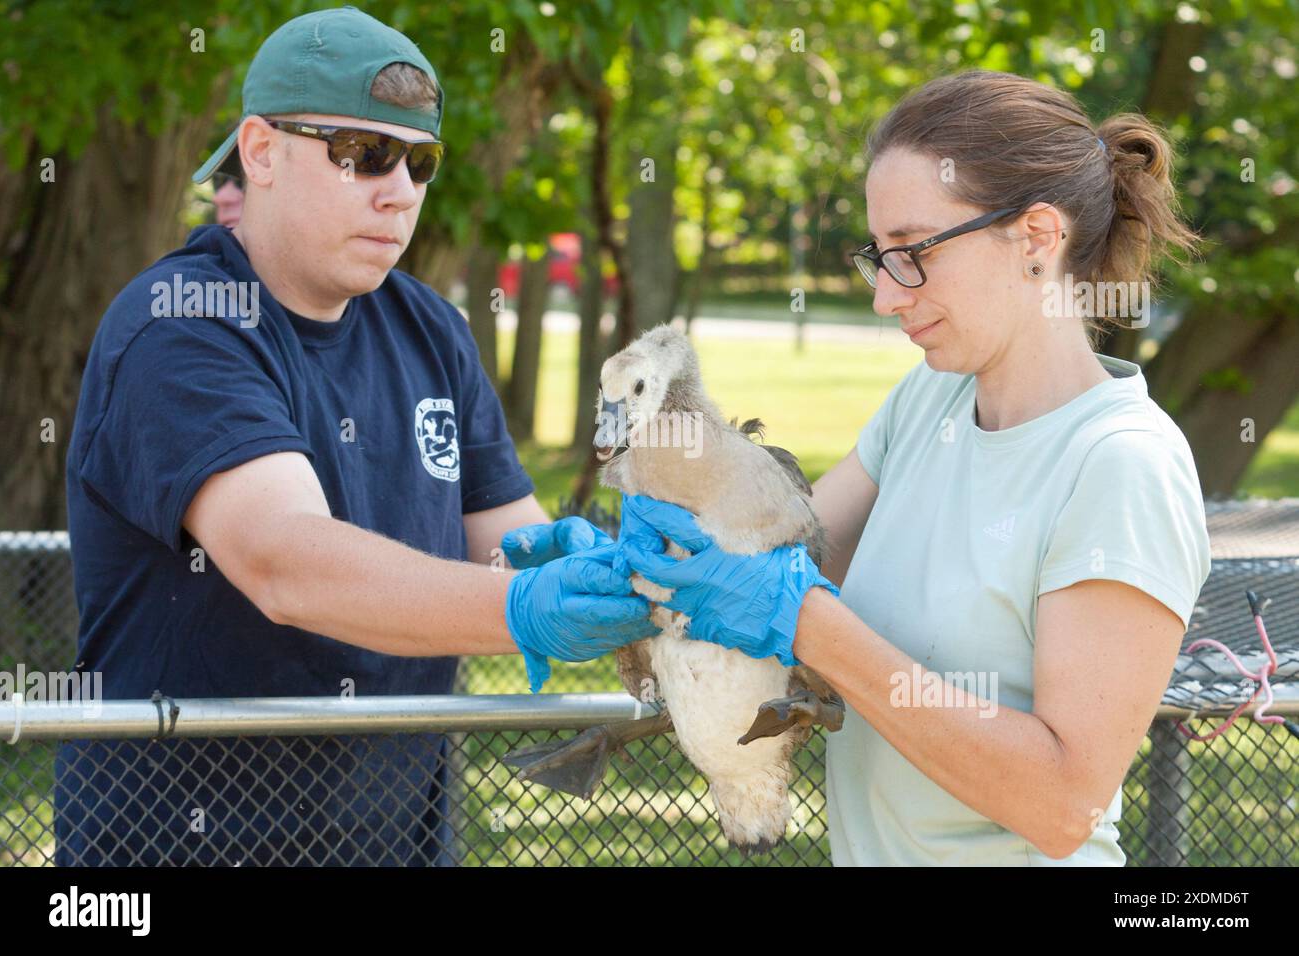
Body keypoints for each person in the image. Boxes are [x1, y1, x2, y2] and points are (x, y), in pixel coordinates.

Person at [515, 70, 1213, 866]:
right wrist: (633, 571)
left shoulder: (1120, 466)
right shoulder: (929, 403)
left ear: (1037, 237)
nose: (885, 296)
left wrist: (805, 621)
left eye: (913, 253)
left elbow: (1062, 805)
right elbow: (777, 558)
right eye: (877, 257)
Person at [56, 6, 656, 866]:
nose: (400, 190)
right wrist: (526, 611)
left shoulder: (431, 328)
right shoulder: (179, 322)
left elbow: (506, 547)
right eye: (361, 154)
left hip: (397, 840)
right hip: (175, 848)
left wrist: (622, 574)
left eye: (420, 162)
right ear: (258, 152)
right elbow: (284, 562)